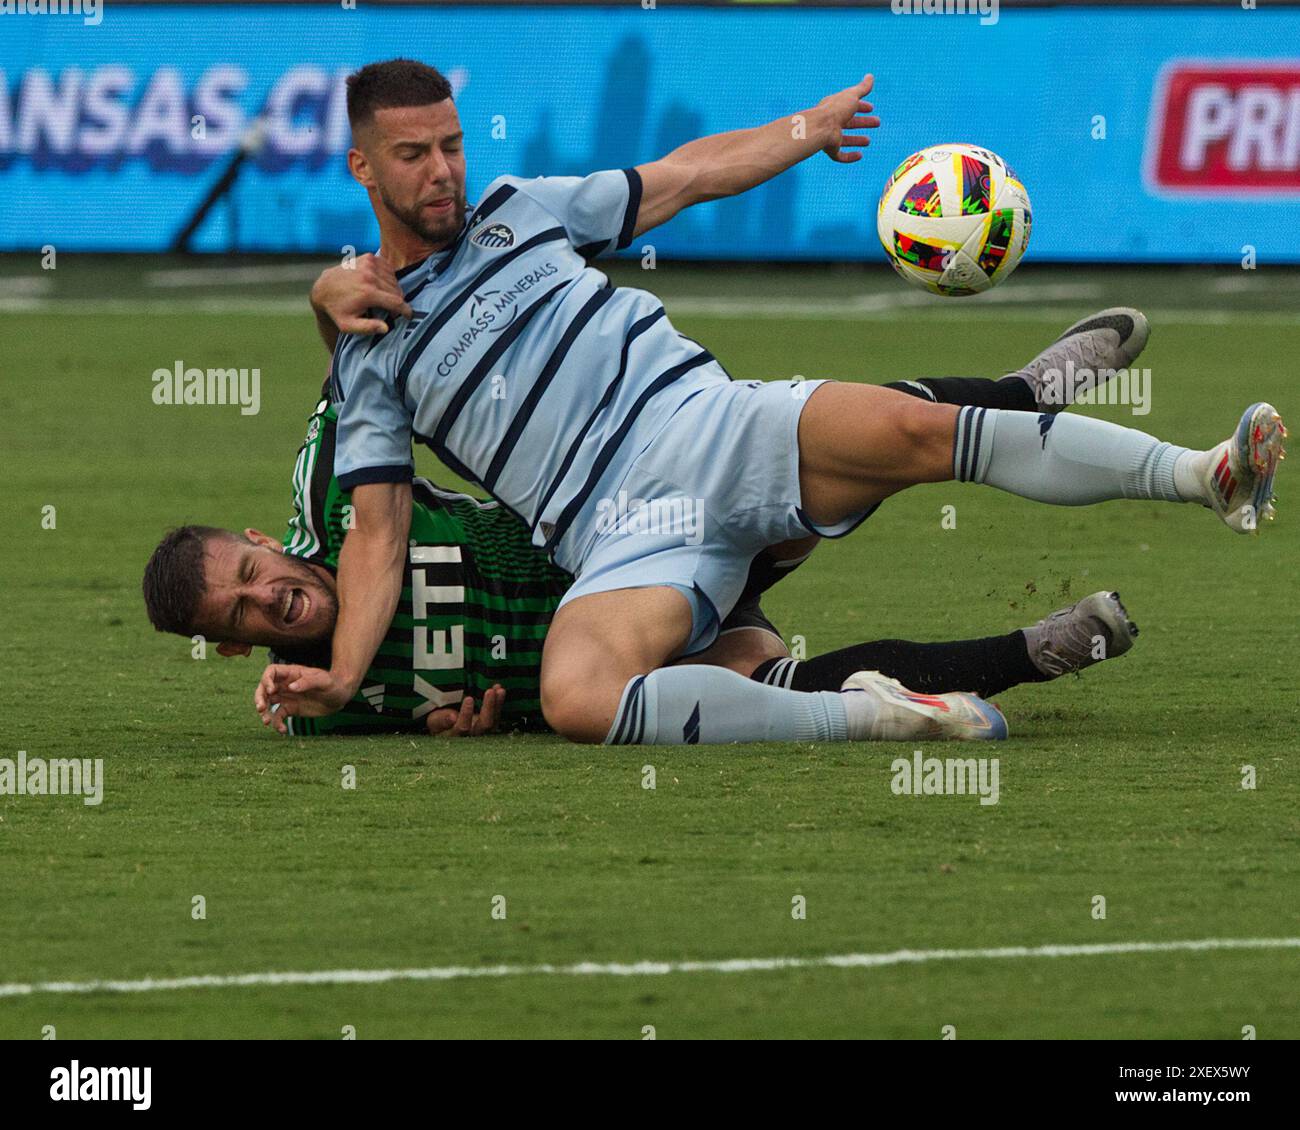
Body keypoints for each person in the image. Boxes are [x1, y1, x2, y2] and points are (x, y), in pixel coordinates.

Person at [256, 58, 1284, 747]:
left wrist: (808, 128)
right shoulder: (370, 346)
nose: (441, 170)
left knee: (913, 429)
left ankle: (1204, 475)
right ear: (360, 165)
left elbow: (684, 175)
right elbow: (376, 538)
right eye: (411, 154)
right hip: (617, 532)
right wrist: (343, 679)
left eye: (448, 144)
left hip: (707, 425)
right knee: (575, 694)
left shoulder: (519, 212)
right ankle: (870, 716)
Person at [144, 399, 1140, 739]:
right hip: (635, 654)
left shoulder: (333, 495)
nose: (263, 591)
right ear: (234, 645)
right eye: (240, 609)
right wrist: (471, 731)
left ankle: (1017, 396)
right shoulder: (329, 710)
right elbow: (470, 723)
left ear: (261, 536)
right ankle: (1029, 651)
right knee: (768, 682)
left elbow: (354, 367)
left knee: (828, 473)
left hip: (631, 528)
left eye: (247, 565)